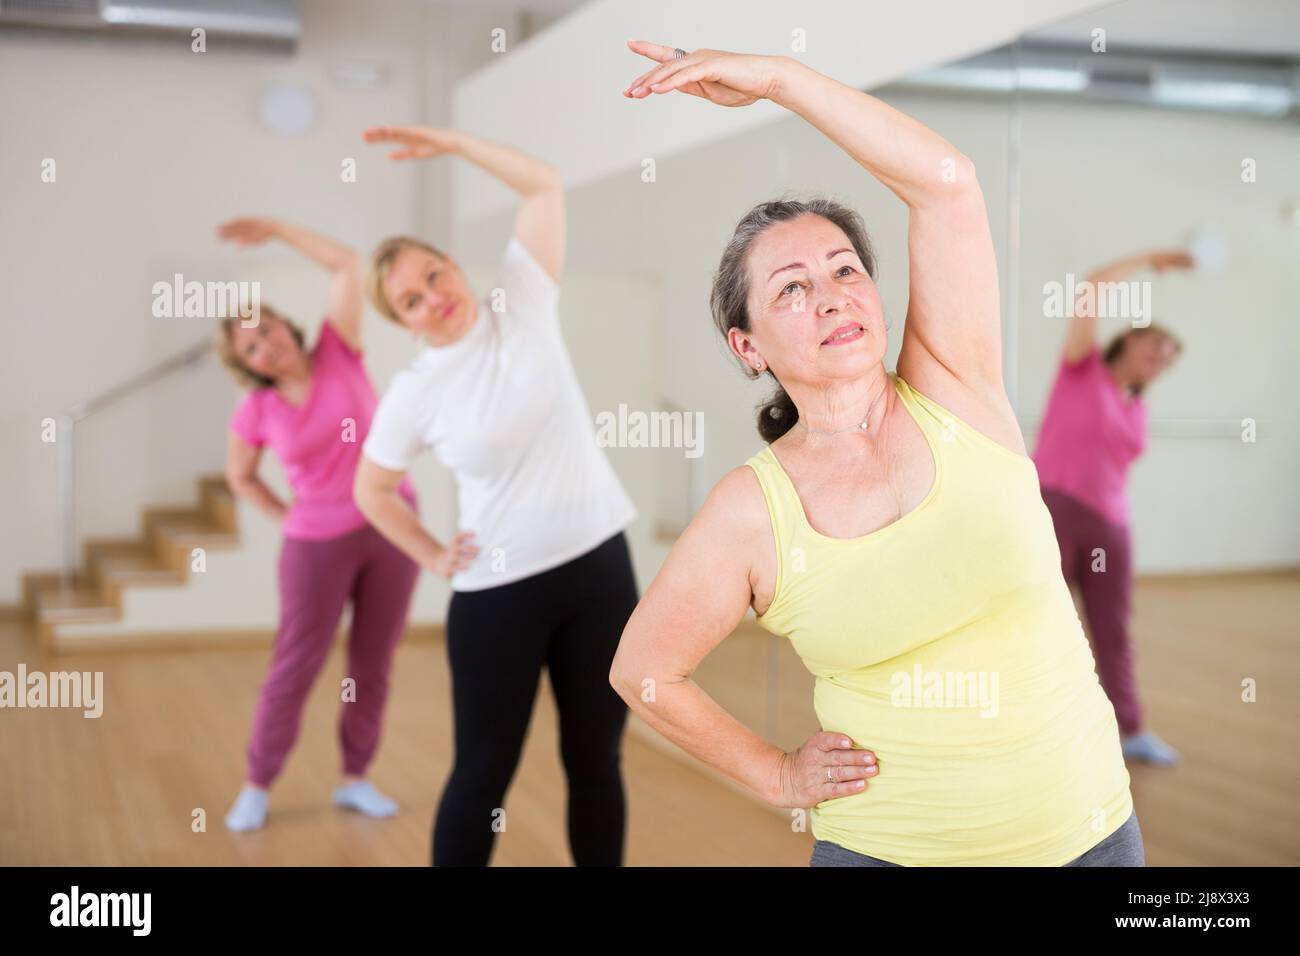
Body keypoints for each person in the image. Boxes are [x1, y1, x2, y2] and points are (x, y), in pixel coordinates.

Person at [609, 41, 1142, 866]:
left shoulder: (957, 389)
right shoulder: (753, 513)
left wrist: (780, 82)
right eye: (791, 287)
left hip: (1093, 838)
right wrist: (778, 775)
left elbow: (947, 183)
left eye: (845, 268)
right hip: (889, 851)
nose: (831, 296)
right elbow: (644, 671)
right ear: (747, 346)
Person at [352, 126, 639, 866]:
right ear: (403, 322)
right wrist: (431, 553)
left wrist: (449, 143)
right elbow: (372, 489)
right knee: (483, 773)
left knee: (596, 760)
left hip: (600, 570)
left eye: (433, 277)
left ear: (454, 266)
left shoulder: (523, 295)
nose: (432, 299)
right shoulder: (415, 393)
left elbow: (542, 181)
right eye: (410, 301)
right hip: (498, 596)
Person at [214, 217, 421, 832]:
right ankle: (257, 783)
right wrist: (287, 517)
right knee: (296, 663)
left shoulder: (339, 347)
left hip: (393, 528)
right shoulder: (256, 409)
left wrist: (277, 230)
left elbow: (348, 266)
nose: (265, 345)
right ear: (246, 363)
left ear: (284, 325)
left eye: (266, 330)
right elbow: (241, 477)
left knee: (372, 663)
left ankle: (355, 778)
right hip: (316, 546)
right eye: (250, 346)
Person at [1035, 249, 1190, 766]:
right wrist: (1151, 259)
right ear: (1129, 340)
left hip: (1111, 525)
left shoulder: (1136, 405)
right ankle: (1037, 729)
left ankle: (1129, 729)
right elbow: (1091, 288)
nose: (1161, 357)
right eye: (1156, 345)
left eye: (1170, 357)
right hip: (1055, 510)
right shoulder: (1082, 371)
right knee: (1042, 622)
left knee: (1113, 628)